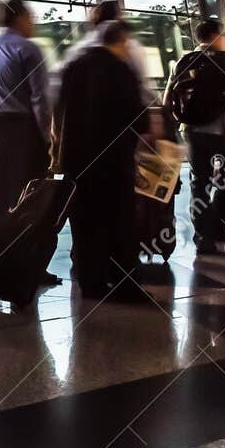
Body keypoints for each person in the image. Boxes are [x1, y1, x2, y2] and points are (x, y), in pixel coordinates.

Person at [56, 20, 151, 303]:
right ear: (121, 41)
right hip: (111, 161)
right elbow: (138, 117)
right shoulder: (120, 69)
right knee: (119, 222)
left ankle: (91, 283)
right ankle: (124, 283)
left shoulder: (73, 66)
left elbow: (58, 110)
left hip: (77, 161)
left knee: (85, 223)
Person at [0, 0, 54, 299]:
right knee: (26, 201)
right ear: (19, 17)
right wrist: (48, 139)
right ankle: (20, 267)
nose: (33, 22)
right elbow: (39, 100)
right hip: (22, 131)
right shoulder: (28, 49)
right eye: (31, 16)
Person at [166, 19, 225, 255]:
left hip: (191, 133)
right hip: (223, 133)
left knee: (200, 185)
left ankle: (204, 240)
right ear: (217, 35)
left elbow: (167, 101)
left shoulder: (183, 62)